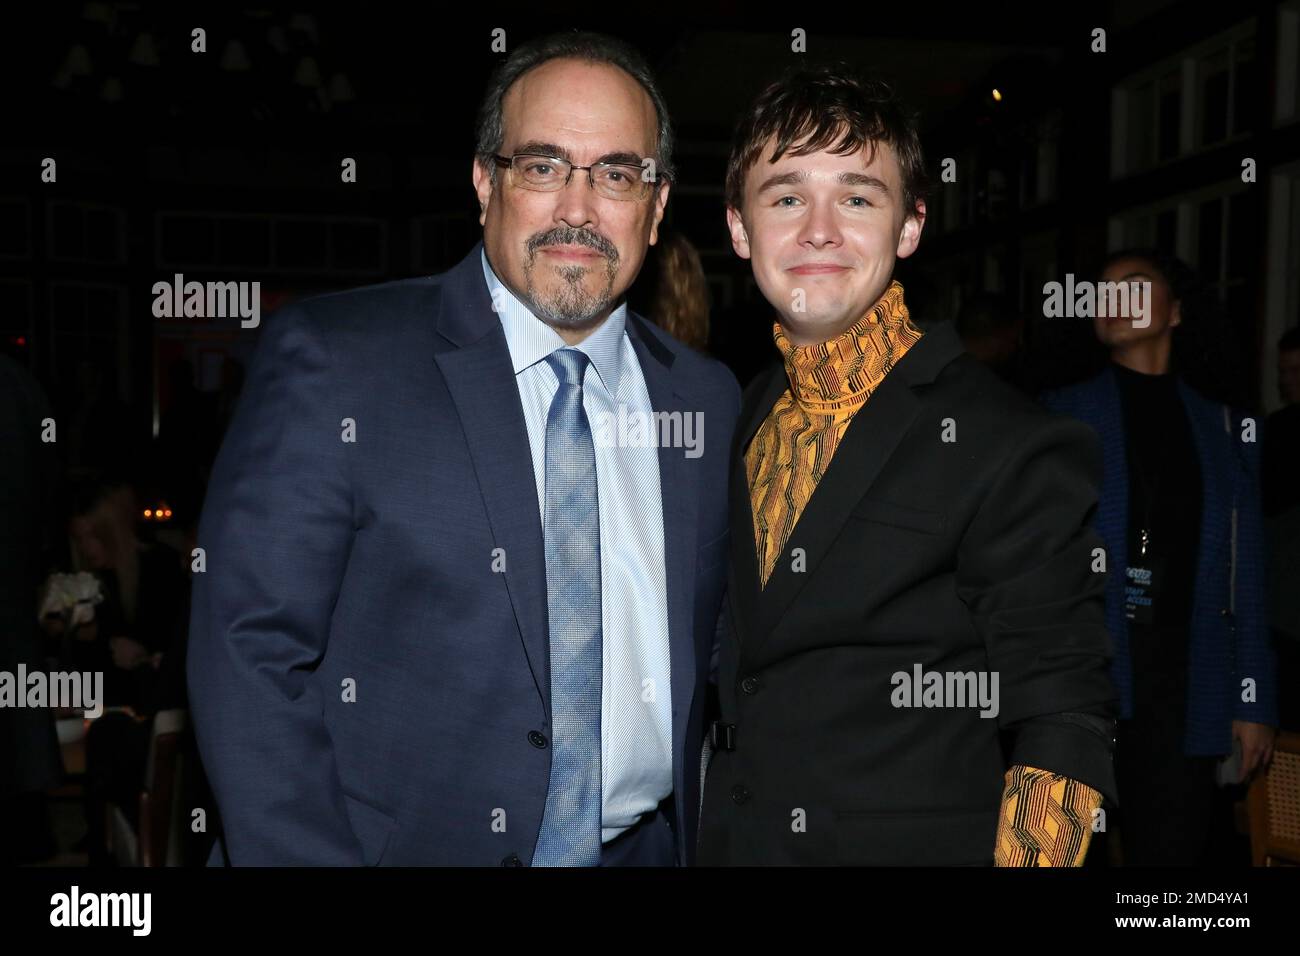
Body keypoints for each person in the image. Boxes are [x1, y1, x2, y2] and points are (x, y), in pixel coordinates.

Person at [188, 30, 740, 866]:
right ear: (486, 182)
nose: (579, 210)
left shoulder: (706, 400)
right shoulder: (340, 363)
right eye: (543, 165)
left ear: (657, 206)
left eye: (617, 174)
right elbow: (248, 654)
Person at [697, 65, 1118, 866]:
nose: (818, 229)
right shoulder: (744, 409)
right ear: (741, 229)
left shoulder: (1006, 438)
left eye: (857, 197)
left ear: (912, 226)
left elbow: (1064, 709)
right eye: (786, 196)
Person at [1041, 249, 1277, 865]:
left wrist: (1252, 700)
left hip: (1184, 682)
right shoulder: (1056, 415)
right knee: (1059, 850)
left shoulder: (1224, 426)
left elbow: (1246, 577)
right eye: (1102, 290)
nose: (1115, 300)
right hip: (1079, 679)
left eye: (1136, 286)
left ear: (1175, 311)